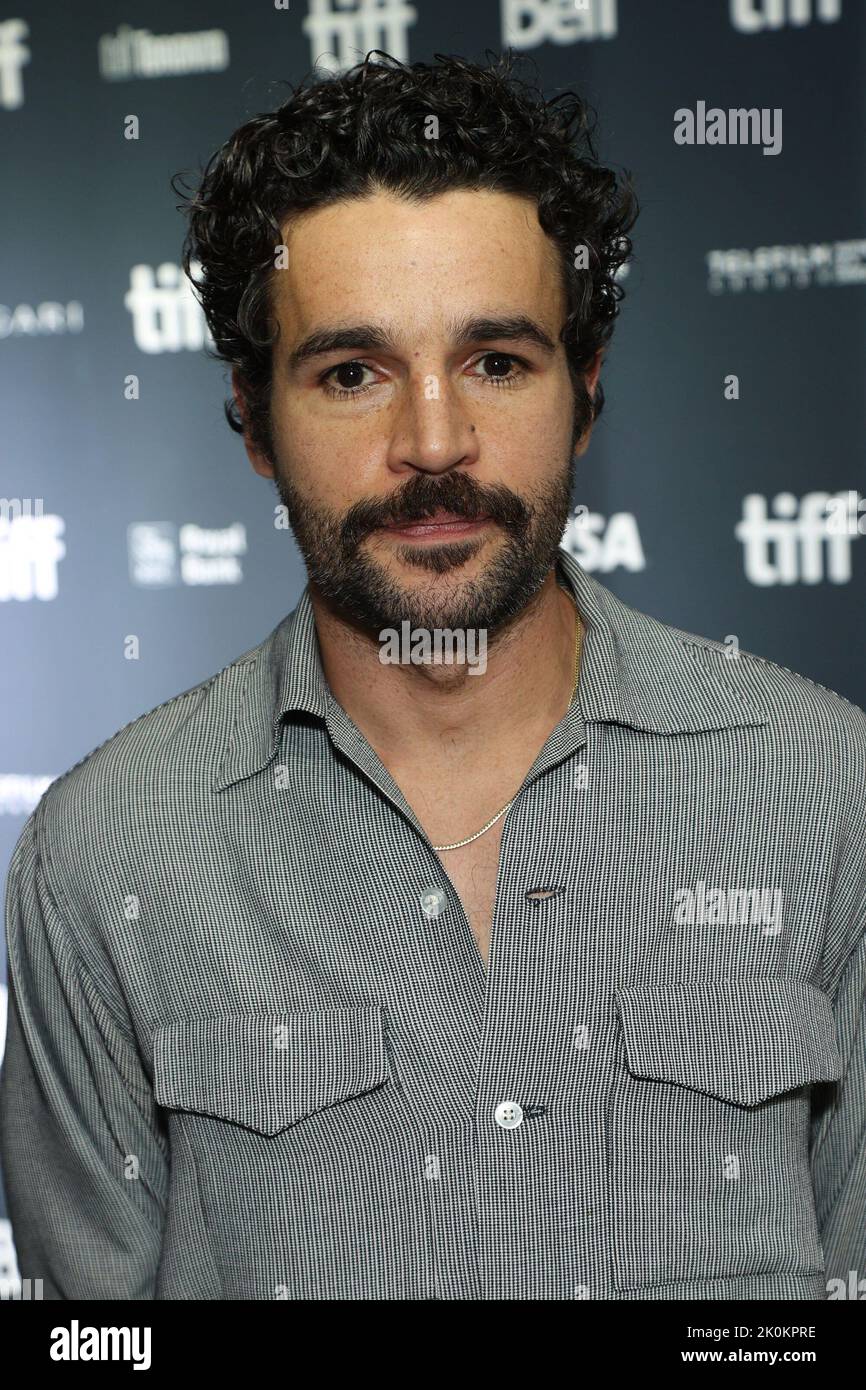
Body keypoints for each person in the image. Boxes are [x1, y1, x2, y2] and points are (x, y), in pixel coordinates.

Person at [1, 51, 864, 1301]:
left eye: (496, 362)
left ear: (587, 391)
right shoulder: (104, 857)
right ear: (251, 418)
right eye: (351, 373)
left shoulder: (827, 791)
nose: (433, 442)